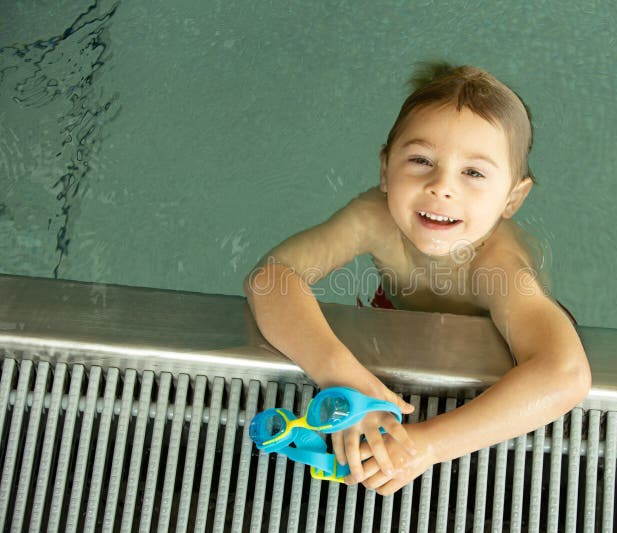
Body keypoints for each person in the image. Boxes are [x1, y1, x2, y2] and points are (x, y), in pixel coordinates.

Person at [244, 63, 591, 495]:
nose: (441, 186)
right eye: (421, 160)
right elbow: (271, 279)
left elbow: (564, 374)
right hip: (396, 313)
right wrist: (343, 377)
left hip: (506, 331)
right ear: (385, 168)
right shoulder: (373, 217)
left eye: (474, 173)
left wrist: (426, 446)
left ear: (513, 198)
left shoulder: (497, 266)